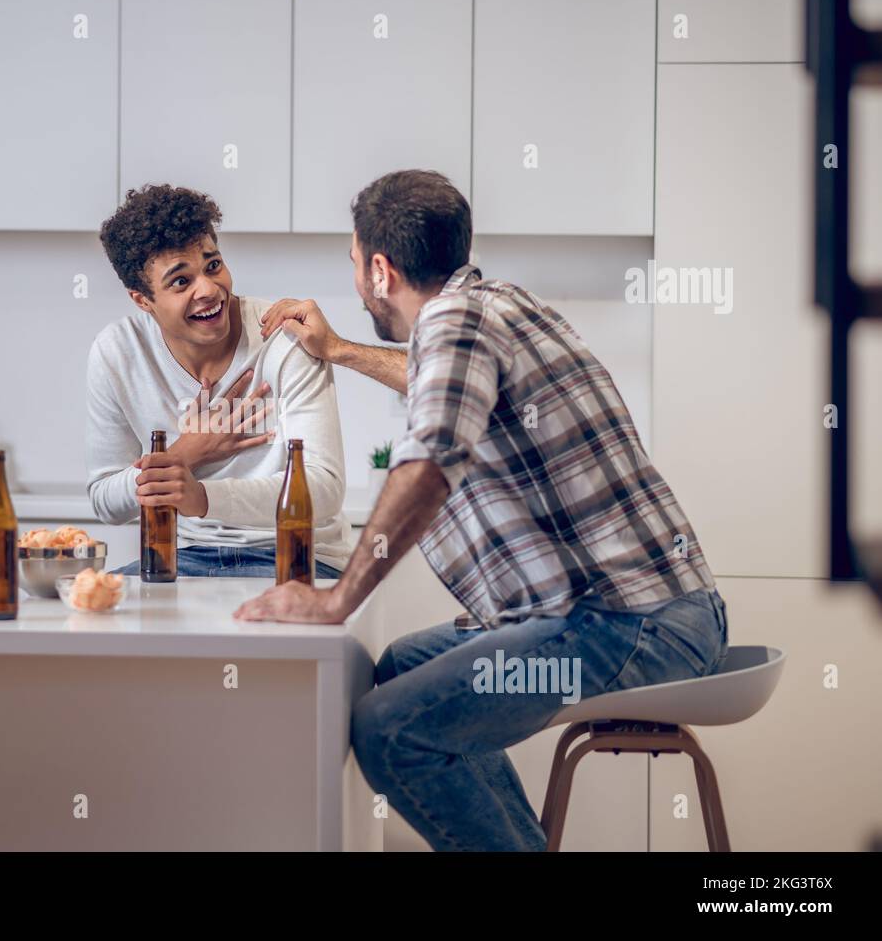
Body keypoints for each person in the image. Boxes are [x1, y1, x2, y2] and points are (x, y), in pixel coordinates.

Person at [234, 170, 728, 851]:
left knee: (390, 731)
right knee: (404, 665)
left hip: (628, 627)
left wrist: (335, 600)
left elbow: (429, 461)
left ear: (381, 270)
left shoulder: (453, 321)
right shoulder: (499, 305)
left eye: (353, 264)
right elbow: (440, 381)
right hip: (659, 611)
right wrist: (342, 351)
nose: (354, 280)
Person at [89, 184, 351, 577]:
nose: (209, 290)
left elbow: (324, 489)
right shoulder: (117, 353)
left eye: (213, 266)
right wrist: (184, 454)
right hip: (187, 558)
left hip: (294, 556)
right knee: (89, 620)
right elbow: (106, 502)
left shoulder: (284, 336)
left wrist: (203, 498)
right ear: (142, 300)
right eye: (181, 282)